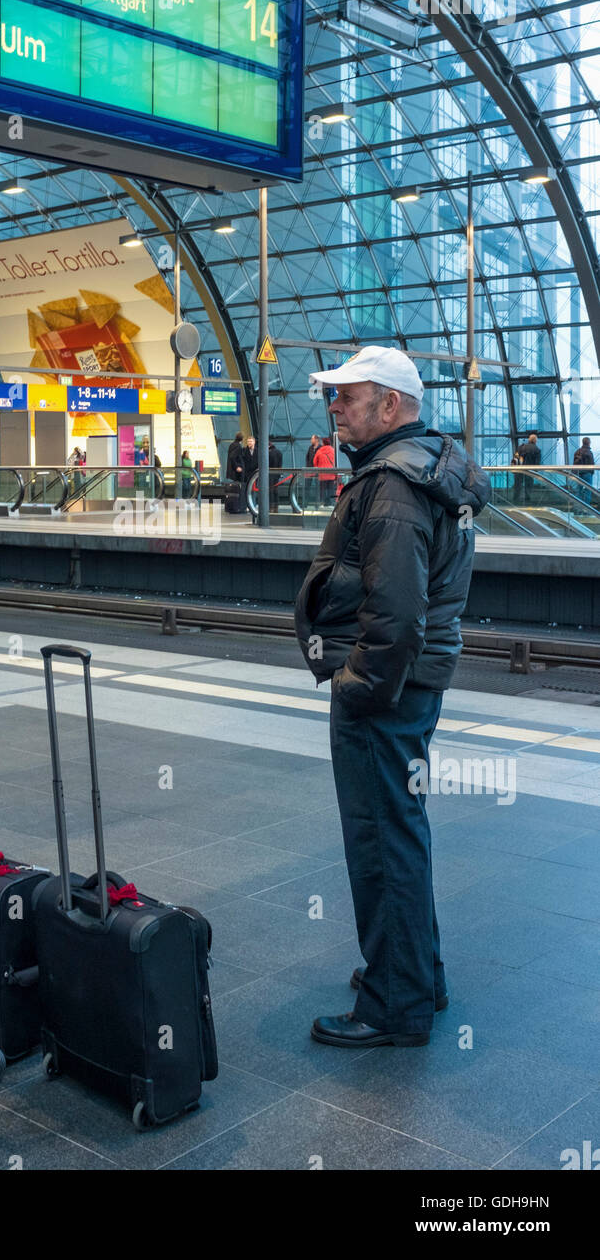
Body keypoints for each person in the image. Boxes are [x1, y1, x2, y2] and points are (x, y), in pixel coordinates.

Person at [294, 347, 490, 1048]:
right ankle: (417, 975)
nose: (335, 408)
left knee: (381, 838)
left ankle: (393, 1005)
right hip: (411, 684)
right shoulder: (424, 467)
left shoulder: (396, 486)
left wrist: (357, 687)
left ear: (391, 406)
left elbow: (397, 612)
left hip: (384, 691)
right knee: (401, 831)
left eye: (348, 397)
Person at [516, 433, 540, 502]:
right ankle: (527, 499)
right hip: (530, 470)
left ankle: (516, 498)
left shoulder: (521, 447)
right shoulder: (536, 449)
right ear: (535, 440)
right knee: (528, 484)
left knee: (519, 483)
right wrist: (536, 471)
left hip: (519, 469)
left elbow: (516, 457)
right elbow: (537, 463)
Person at [314, 435, 337, 506]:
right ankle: (331, 502)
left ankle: (323, 502)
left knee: (323, 489)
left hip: (322, 474)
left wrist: (318, 467)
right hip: (331, 474)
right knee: (331, 489)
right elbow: (336, 462)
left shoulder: (319, 451)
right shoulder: (333, 451)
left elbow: (315, 462)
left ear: (323, 443)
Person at [225, 433, 245, 514]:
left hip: (232, 470)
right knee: (239, 488)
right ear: (242, 439)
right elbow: (233, 457)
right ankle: (237, 506)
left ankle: (233, 505)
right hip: (236, 471)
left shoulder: (232, 445)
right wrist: (237, 467)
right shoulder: (238, 446)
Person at [573, 437, 594, 504]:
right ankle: (586, 508)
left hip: (579, 473)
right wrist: (592, 472)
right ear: (589, 443)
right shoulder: (589, 452)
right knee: (588, 490)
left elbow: (574, 463)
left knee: (578, 490)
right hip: (587, 473)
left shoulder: (577, 451)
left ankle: (578, 507)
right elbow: (592, 464)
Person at [268, 440, 283, 510]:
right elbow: (280, 464)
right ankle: (276, 504)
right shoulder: (279, 452)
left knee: (270, 490)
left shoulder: (268, 453)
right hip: (277, 473)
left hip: (270, 473)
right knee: (275, 490)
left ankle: (271, 505)